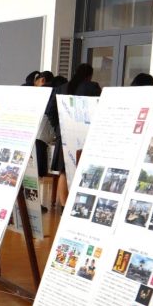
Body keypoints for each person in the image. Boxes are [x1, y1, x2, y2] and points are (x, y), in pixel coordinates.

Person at [48, 64, 101, 208]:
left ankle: (64, 206)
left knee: (64, 172)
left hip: (64, 133)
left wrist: (58, 127)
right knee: (84, 170)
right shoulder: (93, 88)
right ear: (89, 75)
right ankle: (78, 206)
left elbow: (50, 110)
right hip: (85, 135)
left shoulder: (62, 88)